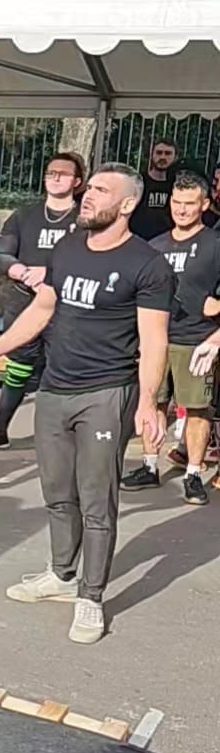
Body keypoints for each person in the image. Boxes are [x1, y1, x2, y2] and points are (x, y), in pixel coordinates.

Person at [0, 164, 173, 645]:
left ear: (126, 205)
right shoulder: (68, 248)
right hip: (56, 389)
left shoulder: (148, 265)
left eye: (101, 190)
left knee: (97, 498)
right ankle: (61, 576)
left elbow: (154, 339)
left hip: (106, 393)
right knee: (59, 493)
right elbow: (43, 308)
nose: (88, 195)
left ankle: (90, 596)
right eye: (90, 187)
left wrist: (147, 403)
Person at [0, 152, 84, 452]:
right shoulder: (25, 215)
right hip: (22, 300)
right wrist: (18, 270)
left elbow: (90, 258)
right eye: (50, 172)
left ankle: (60, 437)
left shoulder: (84, 219)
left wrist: (49, 272)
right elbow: (3, 252)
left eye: (63, 173)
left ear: (77, 181)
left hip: (65, 304)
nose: (55, 177)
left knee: (60, 370)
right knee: (18, 365)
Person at [121, 171, 220, 504]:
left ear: (204, 204)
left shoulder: (215, 244)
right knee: (154, 401)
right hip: (157, 339)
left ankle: (193, 473)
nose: (181, 209)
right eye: (176, 202)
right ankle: (150, 466)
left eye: (189, 204)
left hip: (197, 341)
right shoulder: (154, 246)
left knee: (196, 409)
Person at [130, 138, 179, 240]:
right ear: (151, 155)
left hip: (168, 241)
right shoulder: (138, 182)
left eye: (168, 153)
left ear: (175, 157)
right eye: (159, 153)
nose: (163, 157)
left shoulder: (177, 185)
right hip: (140, 239)